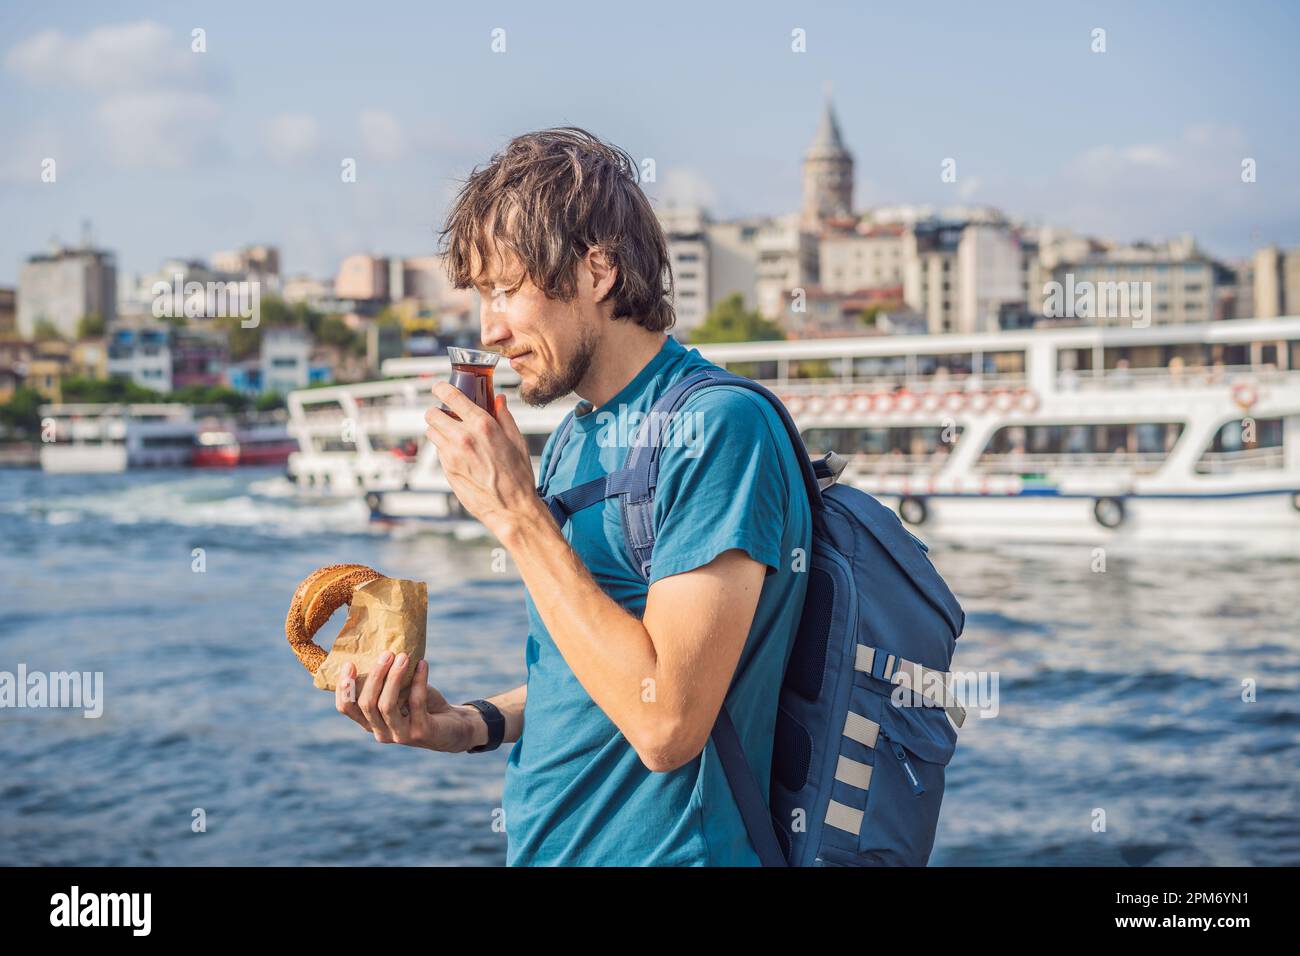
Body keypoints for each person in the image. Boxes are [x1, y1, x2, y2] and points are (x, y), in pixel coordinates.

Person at [333, 128, 812, 866]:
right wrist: (468, 724)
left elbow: (666, 724)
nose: (489, 329)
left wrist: (516, 515)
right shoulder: (574, 436)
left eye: (505, 289)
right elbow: (592, 674)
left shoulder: (718, 428)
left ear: (598, 270)